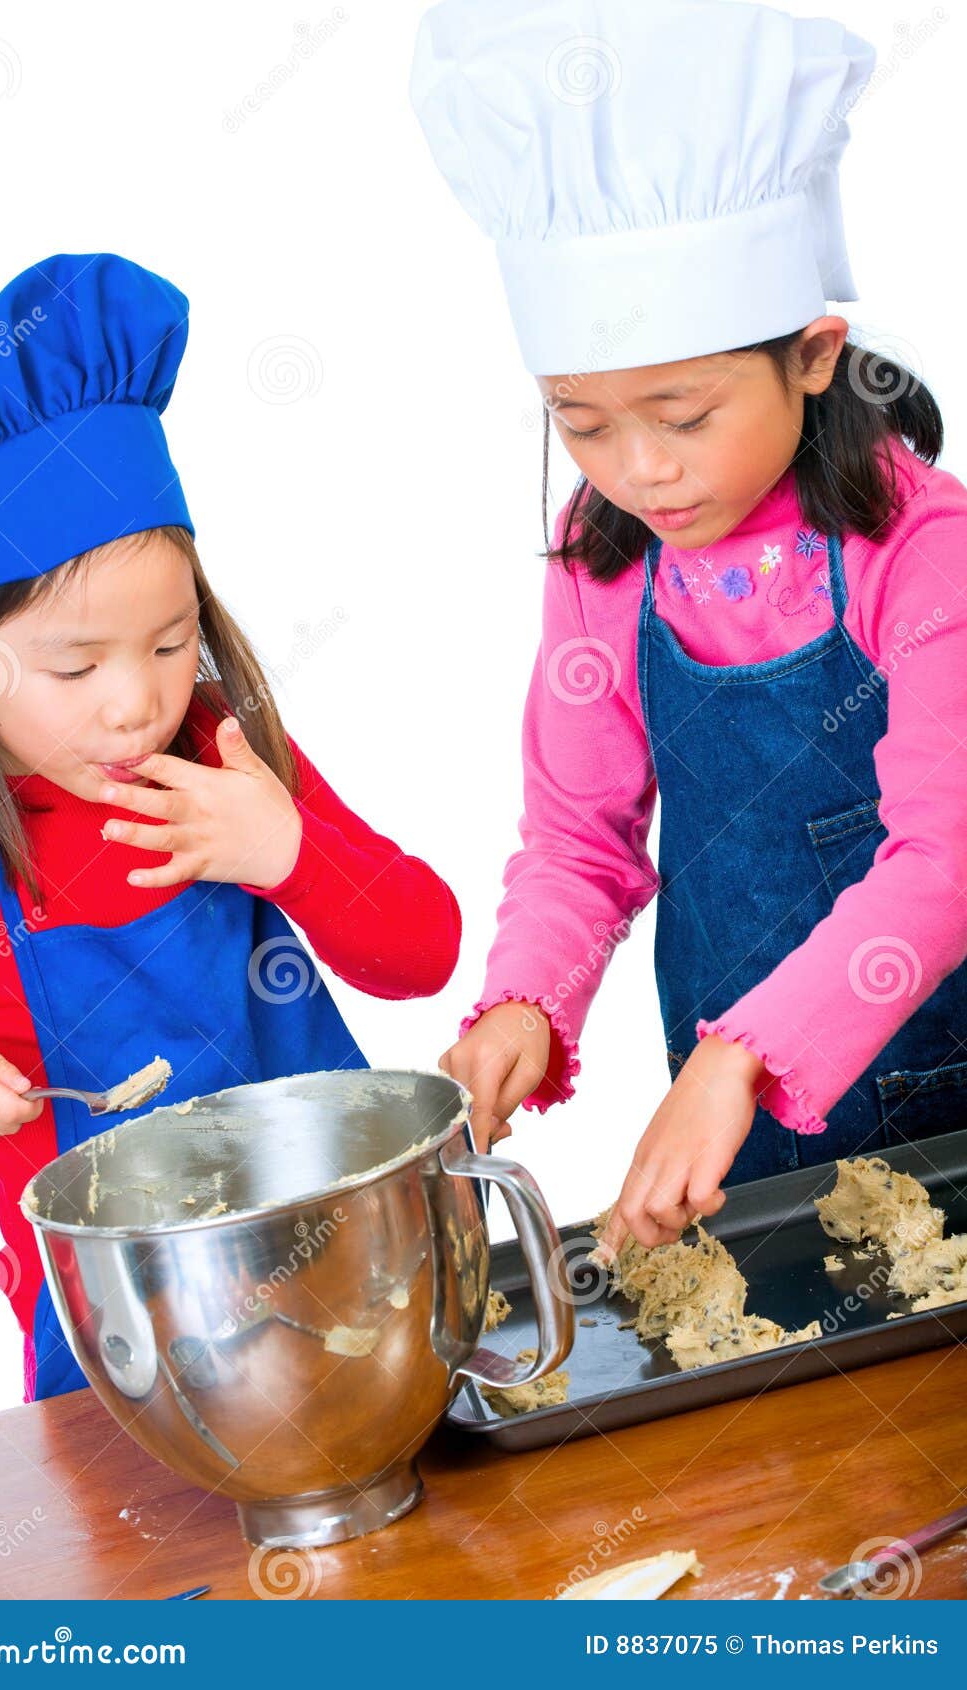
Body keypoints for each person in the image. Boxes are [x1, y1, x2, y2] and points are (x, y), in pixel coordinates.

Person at [412, 0, 967, 1256]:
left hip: (942, 1101)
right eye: (585, 423)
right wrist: (523, 1006)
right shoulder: (604, 559)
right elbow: (576, 841)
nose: (642, 473)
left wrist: (745, 1053)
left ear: (815, 353)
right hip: (728, 1122)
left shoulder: (924, 556)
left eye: (682, 411)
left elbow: (947, 861)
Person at [0, 252, 461, 1399]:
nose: (135, 699)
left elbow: (424, 950)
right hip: (107, 1342)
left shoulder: (222, 755)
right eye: (75, 664)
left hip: (344, 1285)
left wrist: (288, 854)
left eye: (168, 643)